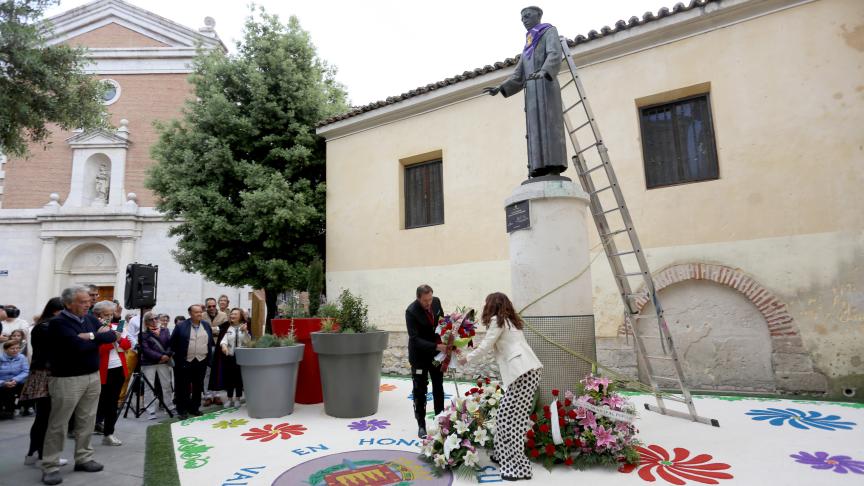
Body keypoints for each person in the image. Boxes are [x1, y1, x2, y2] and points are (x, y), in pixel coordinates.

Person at [458, 292, 543, 482]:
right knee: (514, 419)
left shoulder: (498, 320)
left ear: (492, 305)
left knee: (507, 419)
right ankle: (503, 455)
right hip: (529, 371)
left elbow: (486, 345)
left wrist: (466, 359)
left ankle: (516, 467)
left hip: (522, 373)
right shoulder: (510, 321)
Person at [41, 286, 119, 485]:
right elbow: (75, 346)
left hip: (92, 376)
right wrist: (96, 338)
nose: (88, 304)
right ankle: (51, 465)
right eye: (83, 302)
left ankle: (83, 457)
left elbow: (111, 335)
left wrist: (91, 336)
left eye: (88, 301)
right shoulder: (58, 323)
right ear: (68, 303)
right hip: (67, 379)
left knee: (87, 420)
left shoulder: (90, 319)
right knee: (59, 422)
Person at [483, 6, 567, 178]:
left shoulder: (549, 32)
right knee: (535, 129)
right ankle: (538, 167)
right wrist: (501, 87)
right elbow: (518, 74)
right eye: (522, 18)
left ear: (539, 15)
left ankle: (554, 165)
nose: (524, 20)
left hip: (546, 87)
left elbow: (554, 54)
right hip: (531, 92)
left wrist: (544, 71)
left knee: (549, 126)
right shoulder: (528, 45)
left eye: (527, 16)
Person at [21, 298, 67, 467]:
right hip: (46, 375)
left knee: (43, 417)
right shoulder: (48, 326)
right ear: (58, 311)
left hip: (42, 373)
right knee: (46, 417)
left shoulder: (44, 325)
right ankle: (42, 455)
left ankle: (33, 453)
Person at [405, 284, 447, 438]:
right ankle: (421, 424)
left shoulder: (436, 302)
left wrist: (449, 333)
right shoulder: (411, 312)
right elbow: (414, 339)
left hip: (436, 356)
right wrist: (437, 346)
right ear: (418, 298)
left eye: (430, 299)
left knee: (438, 387)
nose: (429, 303)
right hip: (419, 357)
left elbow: (442, 322)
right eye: (425, 301)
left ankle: (440, 421)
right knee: (420, 390)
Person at [93, 300, 131, 446]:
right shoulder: (96, 328)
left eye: (111, 314)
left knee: (112, 403)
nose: (109, 317)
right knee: (99, 402)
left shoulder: (119, 325)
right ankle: (94, 424)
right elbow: (101, 349)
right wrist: (109, 336)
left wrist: (118, 337)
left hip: (118, 368)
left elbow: (127, 345)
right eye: (105, 314)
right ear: (98, 315)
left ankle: (109, 433)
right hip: (101, 370)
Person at [170, 304, 214, 420]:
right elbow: (172, 343)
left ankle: (195, 408)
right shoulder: (181, 326)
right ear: (190, 314)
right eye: (196, 312)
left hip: (201, 361)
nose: (199, 314)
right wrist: (175, 359)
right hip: (184, 362)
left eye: (200, 312)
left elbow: (209, 343)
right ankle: (182, 410)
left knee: (198, 386)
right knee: (182, 387)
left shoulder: (206, 325)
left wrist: (208, 359)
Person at [140, 312, 174, 420]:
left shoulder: (165, 330)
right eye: (151, 319)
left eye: (155, 318)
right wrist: (161, 357)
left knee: (167, 385)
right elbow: (146, 350)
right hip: (149, 363)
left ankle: (169, 406)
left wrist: (167, 355)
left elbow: (170, 344)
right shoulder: (143, 334)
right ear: (146, 322)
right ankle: (150, 411)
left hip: (164, 362)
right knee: (149, 387)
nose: (154, 321)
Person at [117, 306, 149, 407]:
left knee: (148, 376)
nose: (148, 310)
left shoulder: (152, 318)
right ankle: (120, 399)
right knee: (126, 374)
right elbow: (130, 334)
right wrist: (136, 345)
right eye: (146, 308)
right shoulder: (134, 320)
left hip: (148, 351)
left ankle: (145, 401)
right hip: (134, 350)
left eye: (150, 308)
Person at [220, 308, 250, 408]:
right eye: (232, 314)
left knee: (238, 379)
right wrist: (224, 346)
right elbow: (224, 340)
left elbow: (248, 342)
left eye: (235, 314)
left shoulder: (244, 326)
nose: (232, 315)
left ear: (240, 316)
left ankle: (237, 399)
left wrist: (245, 332)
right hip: (230, 357)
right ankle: (229, 399)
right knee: (229, 378)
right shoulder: (228, 328)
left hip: (241, 358)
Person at [204, 297, 228, 406]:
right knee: (207, 372)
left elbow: (225, 329)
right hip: (206, 347)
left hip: (219, 346)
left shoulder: (223, 315)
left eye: (214, 306)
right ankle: (208, 396)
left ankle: (217, 395)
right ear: (206, 307)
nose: (212, 308)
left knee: (217, 371)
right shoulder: (203, 316)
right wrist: (216, 329)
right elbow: (203, 330)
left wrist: (211, 329)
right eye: (209, 306)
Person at [0, 340, 29, 419]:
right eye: (12, 348)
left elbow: (26, 371)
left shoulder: (21, 357)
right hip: (3, 382)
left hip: (17, 381)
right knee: (7, 390)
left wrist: (15, 379)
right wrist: (3, 383)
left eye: (17, 348)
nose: (15, 350)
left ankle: (23, 408)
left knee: (27, 387)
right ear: (5, 350)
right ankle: (9, 410)